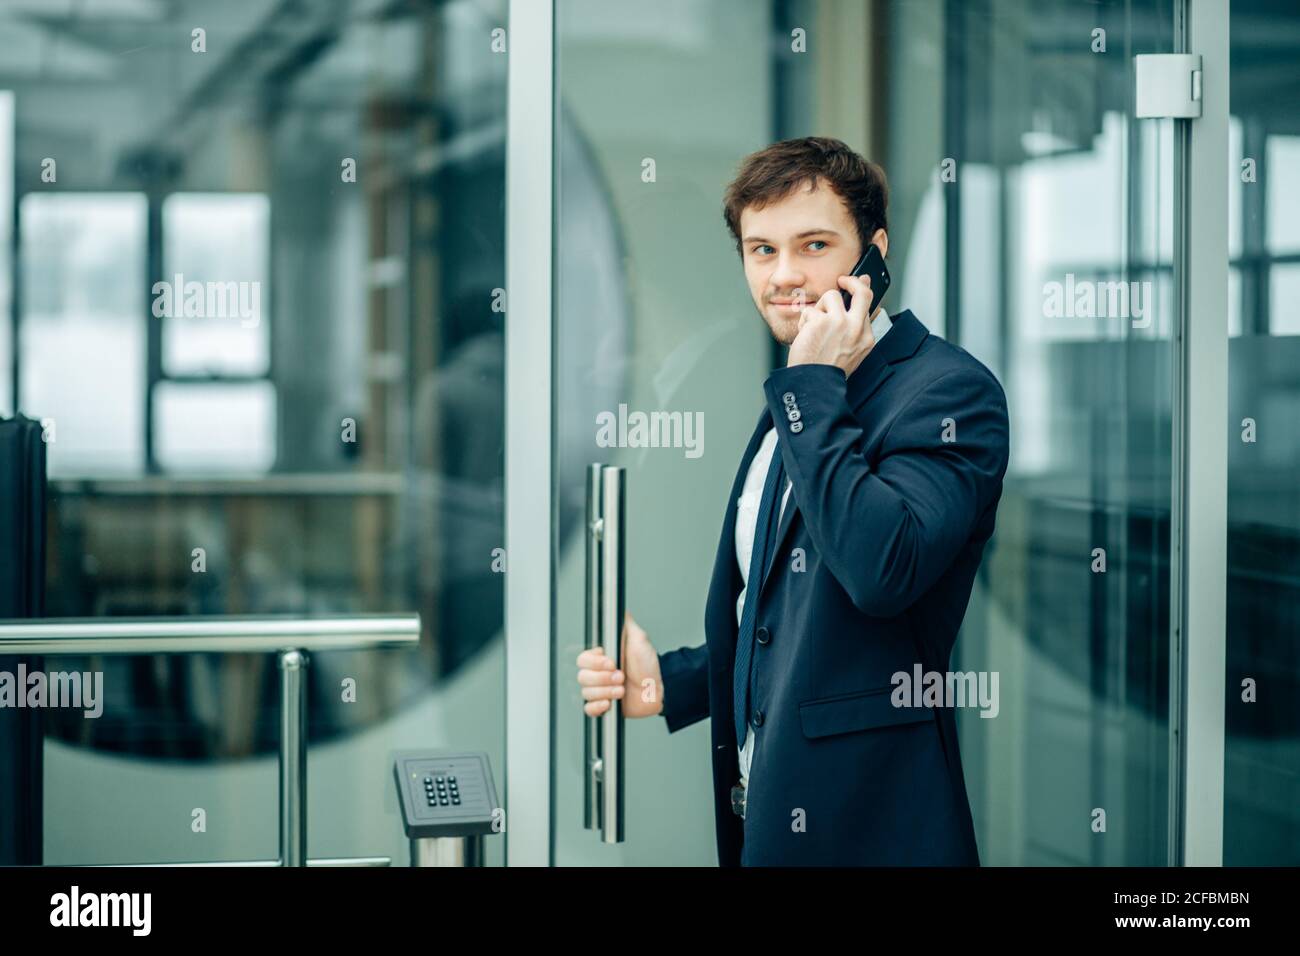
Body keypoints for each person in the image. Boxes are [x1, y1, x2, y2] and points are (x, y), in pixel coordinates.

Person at [576, 136, 1009, 865]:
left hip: (872, 827)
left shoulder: (945, 393)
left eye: (813, 245)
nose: (785, 276)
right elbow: (790, 619)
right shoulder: (804, 390)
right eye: (761, 250)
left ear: (874, 252)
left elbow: (880, 570)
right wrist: (668, 682)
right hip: (772, 820)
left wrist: (812, 387)